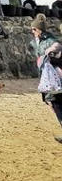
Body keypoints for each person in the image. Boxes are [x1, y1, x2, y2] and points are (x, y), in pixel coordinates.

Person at [30, 14, 62, 143]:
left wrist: (51, 49)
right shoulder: (36, 41)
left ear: (39, 30)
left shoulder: (49, 39)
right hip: (46, 78)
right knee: (51, 102)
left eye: (33, 29)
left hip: (55, 78)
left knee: (55, 103)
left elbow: (57, 45)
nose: (32, 31)